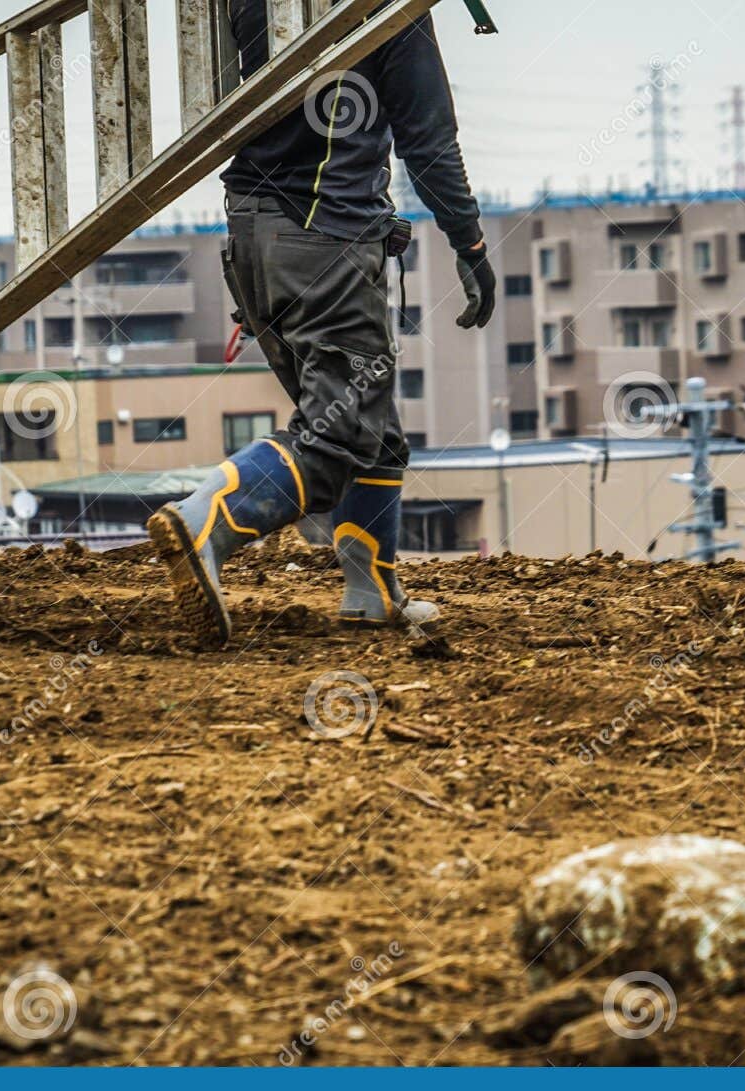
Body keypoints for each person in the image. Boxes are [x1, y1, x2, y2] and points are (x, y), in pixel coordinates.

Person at [146, 1, 495, 648]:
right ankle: (205, 522)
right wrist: (469, 245)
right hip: (324, 236)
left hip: (250, 231)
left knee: (373, 431)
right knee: (336, 437)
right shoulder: (390, 9)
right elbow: (428, 137)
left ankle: (373, 591)